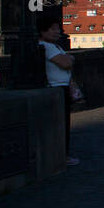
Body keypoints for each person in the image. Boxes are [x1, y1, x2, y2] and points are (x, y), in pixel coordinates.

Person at [40, 17, 79, 166]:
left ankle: (63, 154)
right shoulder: (47, 47)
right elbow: (66, 62)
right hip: (57, 87)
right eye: (53, 29)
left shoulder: (54, 46)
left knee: (63, 123)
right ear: (43, 31)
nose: (57, 32)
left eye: (58, 29)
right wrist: (69, 58)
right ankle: (62, 156)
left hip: (62, 86)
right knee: (61, 123)